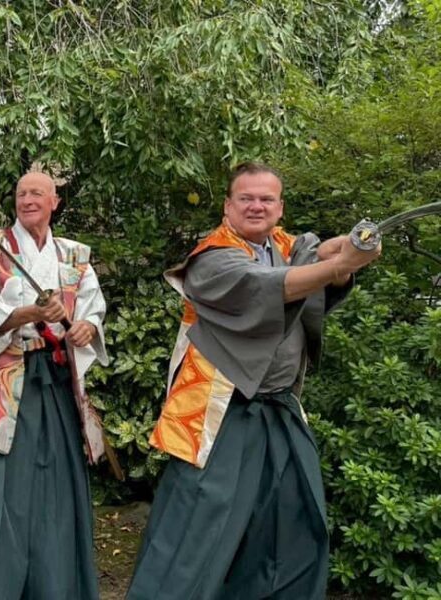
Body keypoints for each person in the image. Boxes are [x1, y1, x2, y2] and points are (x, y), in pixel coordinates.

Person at [127, 162, 381, 600]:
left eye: (266, 199)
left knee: (292, 524)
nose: (256, 206)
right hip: (217, 416)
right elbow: (270, 286)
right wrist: (341, 262)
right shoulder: (211, 259)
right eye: (246, 198)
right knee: (195, 534)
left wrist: (355, 243)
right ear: (228, 206)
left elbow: (317, 252)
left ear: (280, 207)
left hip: (279, 411)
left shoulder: (285, 245)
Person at [0, 171, 108, 600]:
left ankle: (55, 586)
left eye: (37, 193)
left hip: (57, 384)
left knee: (56, 491)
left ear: (55, 202)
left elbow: (91, 309)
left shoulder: (74, 255)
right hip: (5, 385)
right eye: (21, 193)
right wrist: (28, 314)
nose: (28, 200)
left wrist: (85, 327)